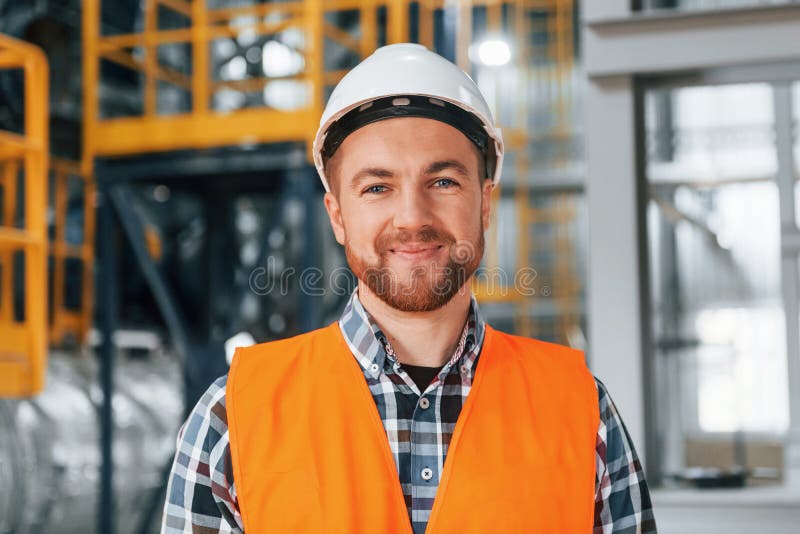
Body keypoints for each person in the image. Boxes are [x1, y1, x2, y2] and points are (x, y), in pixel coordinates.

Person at [161, 43, 657, 533]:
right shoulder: (232, 420)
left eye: (443, 181)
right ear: (337, 216)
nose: (413, 218)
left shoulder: (583, 412)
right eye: (377, 187)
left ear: (484, 205)